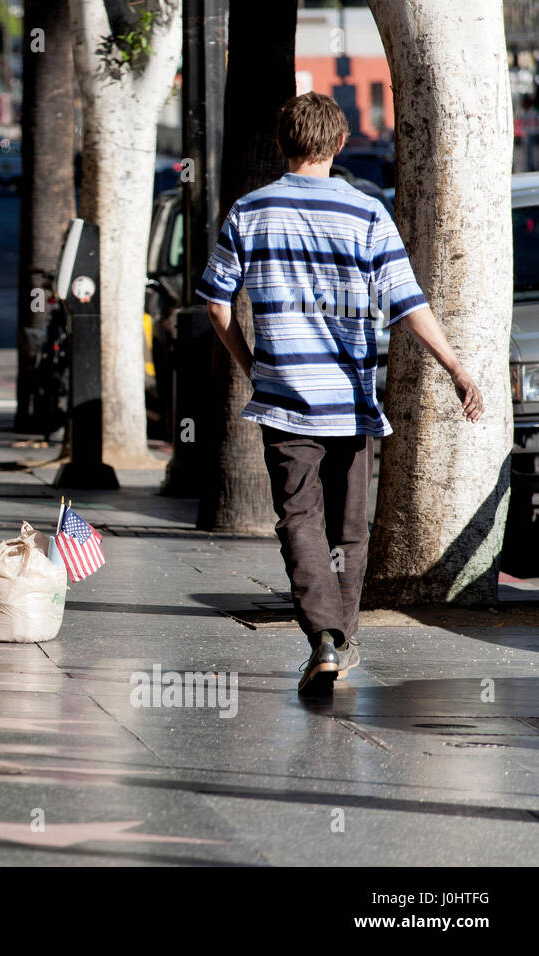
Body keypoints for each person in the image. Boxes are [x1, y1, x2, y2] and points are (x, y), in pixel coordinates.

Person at [196, 92, 484, 697]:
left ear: (283, 143)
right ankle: (338, 637)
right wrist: (455, 366)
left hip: (284, 399)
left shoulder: (250, 211)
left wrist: (253, 366)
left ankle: (326, 638)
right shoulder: (366, 212)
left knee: (298, 519)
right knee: (349, 529)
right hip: (350, 401)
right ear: (339, 144)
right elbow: (408, 304)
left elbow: (217, 304)